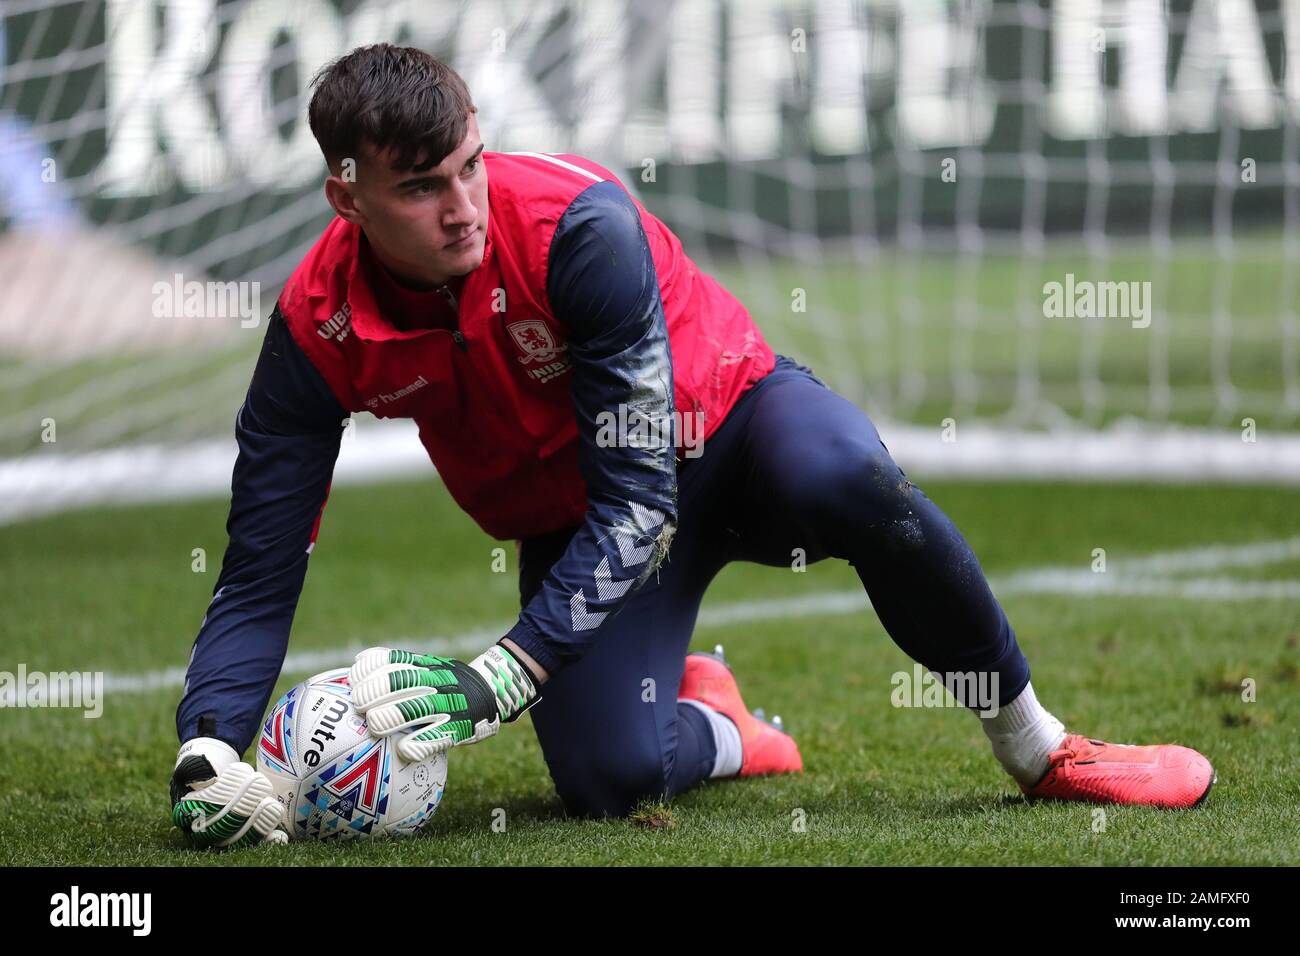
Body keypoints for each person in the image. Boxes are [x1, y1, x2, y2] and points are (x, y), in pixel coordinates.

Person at [170, 44, 1214, 848]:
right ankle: (720, 723)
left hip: (733, 435)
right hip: (582, 517)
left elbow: (643, 500)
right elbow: (262, 564)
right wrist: (208, 747)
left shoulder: (579, 227)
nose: (462, 209)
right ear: (345, 198)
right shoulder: (315, 327)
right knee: (605, 780)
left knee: (848, 473)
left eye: (469, 167)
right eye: (421, 189)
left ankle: (1041, 747)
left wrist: (502, 672)